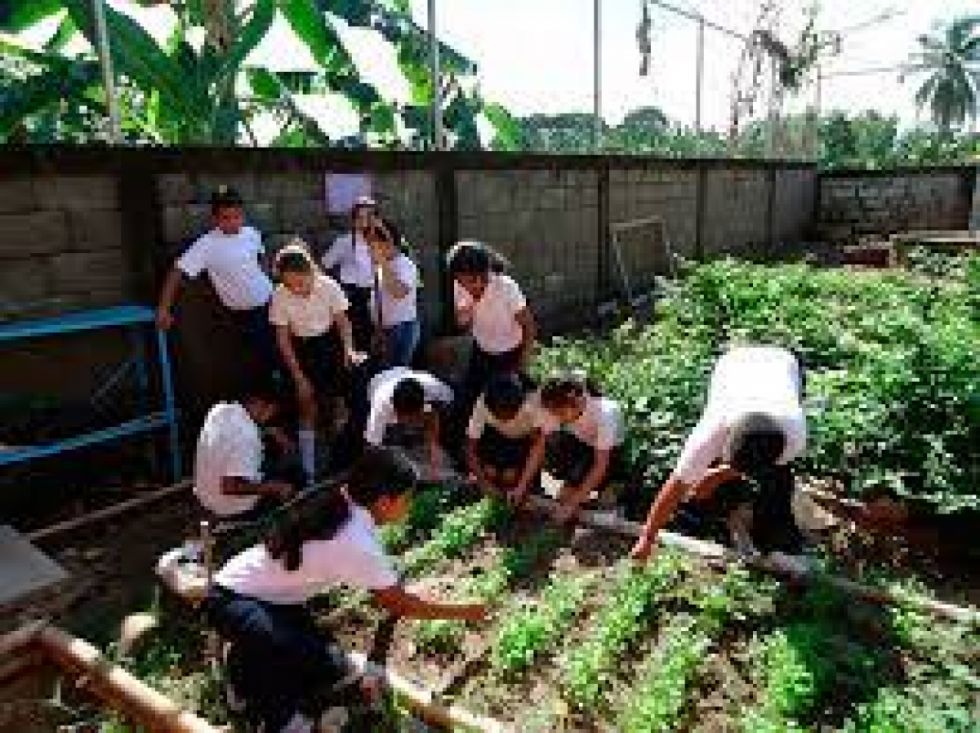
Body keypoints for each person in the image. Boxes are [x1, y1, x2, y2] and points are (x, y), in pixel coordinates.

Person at [205, 446, 487, 733]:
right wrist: (467, 611)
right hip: (232, 599)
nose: (410, 505)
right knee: (289, 660)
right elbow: (400, 604)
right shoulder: (355, 540)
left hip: (270, 601)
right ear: (385, 502)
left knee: (329, 667)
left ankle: (247, 664)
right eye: (407, 498)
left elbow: (387, 584)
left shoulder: (345, 498)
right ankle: (273, 715)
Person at [630, 345, 807, 562]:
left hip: (785, 366)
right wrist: (647, 538)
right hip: (734, 364)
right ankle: (728, 514)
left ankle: (776, 539)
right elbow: (676, 485)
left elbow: (764, 464)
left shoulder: (794, 436)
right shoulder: (712, 430)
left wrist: (717, 475)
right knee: (706, 477)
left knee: (778, 480)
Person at [269, 241, 365, 483]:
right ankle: (309, 472)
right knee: (306, 404)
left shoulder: (328, 286)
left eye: (300, 283)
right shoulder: (280, 295)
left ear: (310, 271)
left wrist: (348, 350)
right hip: (300, 349)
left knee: (339, 403)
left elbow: (343, 322)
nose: (296, 289)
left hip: (330, 344)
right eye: (289, 285)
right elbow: (283, 339)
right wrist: (299, 376)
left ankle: (343, 460)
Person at [156, 186, 278, 375]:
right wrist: (164, 308)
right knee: (255, 365)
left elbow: (260, 259)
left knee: (279, 357)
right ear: (215, 219)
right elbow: (177, 271)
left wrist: (271, 281)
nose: (232, 222)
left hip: (272, 305)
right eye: (225, 218)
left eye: (237, 216)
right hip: (242, 316)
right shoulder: (207, 244)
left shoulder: (251, 233)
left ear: (243, 215)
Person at [192, 385, 301, 520]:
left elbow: (232, 439)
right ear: (267, 407)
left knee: (267, 463)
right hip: (227, 508)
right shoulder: (248, 436)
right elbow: (229, 487)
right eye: (272, 412)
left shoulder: (220, 410)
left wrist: (268, 431)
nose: (271, 416)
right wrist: (274, 487)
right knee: (286, 480)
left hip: (205, 495)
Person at [448, 241, 536, 406]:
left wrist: (522, 364)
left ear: (483, 274)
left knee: (507, 402)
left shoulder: (506, 287)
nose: (465, 286)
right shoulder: (459, 285)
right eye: (460, 280)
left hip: (510, 354)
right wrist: (464, 316)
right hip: (482, 351)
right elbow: (463, 325)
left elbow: (529, 326)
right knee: (471, 399)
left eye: (470, 280)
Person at [537, 371, 626, 523]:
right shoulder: (560, 402)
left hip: (609, 455)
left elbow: (600, 464)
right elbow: (540, 444)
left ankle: (611, 488)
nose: (555, 416)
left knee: (589, 503)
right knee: (563, 497)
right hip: (581, 446)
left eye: (559, 413)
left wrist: (572, 504)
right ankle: (575, 485)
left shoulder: (606, 413)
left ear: (575, 403)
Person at [466, 373, 546, 504]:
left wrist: (522, 486)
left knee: (510, 477)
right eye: (499, 415)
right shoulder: (483, 403)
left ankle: (528, 490)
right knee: (489, 473)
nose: (504, 419)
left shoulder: (534, 404)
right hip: (495, 436)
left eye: (509, 415)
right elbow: (470, 446)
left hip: (524, 439)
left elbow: (539, 447)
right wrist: (483, 482)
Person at [364, 367, 454, 480]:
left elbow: (433, 414)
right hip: (376, 382)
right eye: (406, 419)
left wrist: (433, 446)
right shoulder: (380, 407)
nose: (410, 422)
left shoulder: (437, 391)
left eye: (414, 418)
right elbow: (371, 448)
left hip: (406, 375)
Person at [321, 196, 378, 354]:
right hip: (353, 297)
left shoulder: (383, 241)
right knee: (356, 339)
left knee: (377, 339)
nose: (364, 221)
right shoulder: (344, 242)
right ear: (353, 220)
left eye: (369, 217)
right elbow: (324, 265)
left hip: (377, 295)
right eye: (360, 217)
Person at [365, 216, 420, 368]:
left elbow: (398, 291)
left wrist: (381, 261)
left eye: (374, 246)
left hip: (401, 329)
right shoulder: (381, 266)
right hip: (385, 329)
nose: (370, 250)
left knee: (396, 374)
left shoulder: (405, 265)